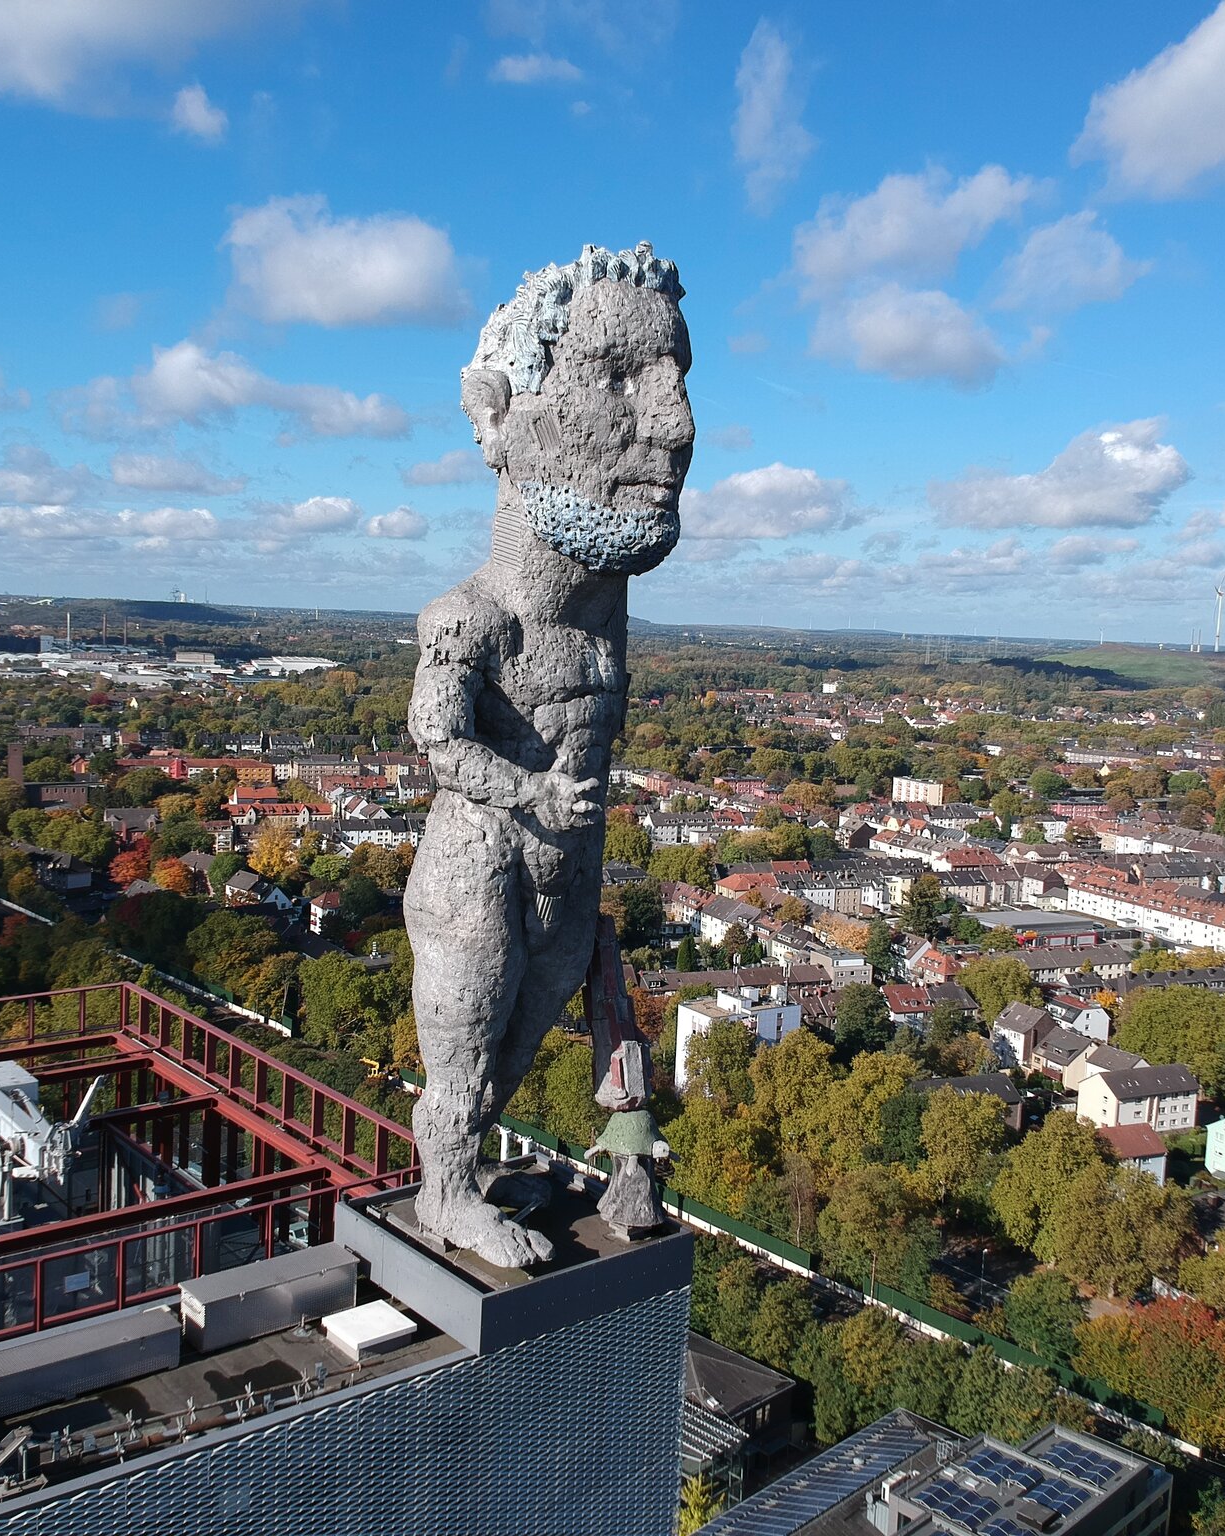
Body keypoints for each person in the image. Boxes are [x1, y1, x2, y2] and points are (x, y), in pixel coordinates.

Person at [402, 244, 694, 1268]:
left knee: (508, 1062)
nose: (673, 426)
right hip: (475, 862)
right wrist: (528, 787)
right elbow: (436, 735)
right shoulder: (468, 617)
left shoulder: (605, 614)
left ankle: (461, 1178)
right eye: (615, 377)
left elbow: (602, 553)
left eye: (673, 378)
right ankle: (442, 1193)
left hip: (565, 874)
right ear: (503, 419)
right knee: (465, 1053)